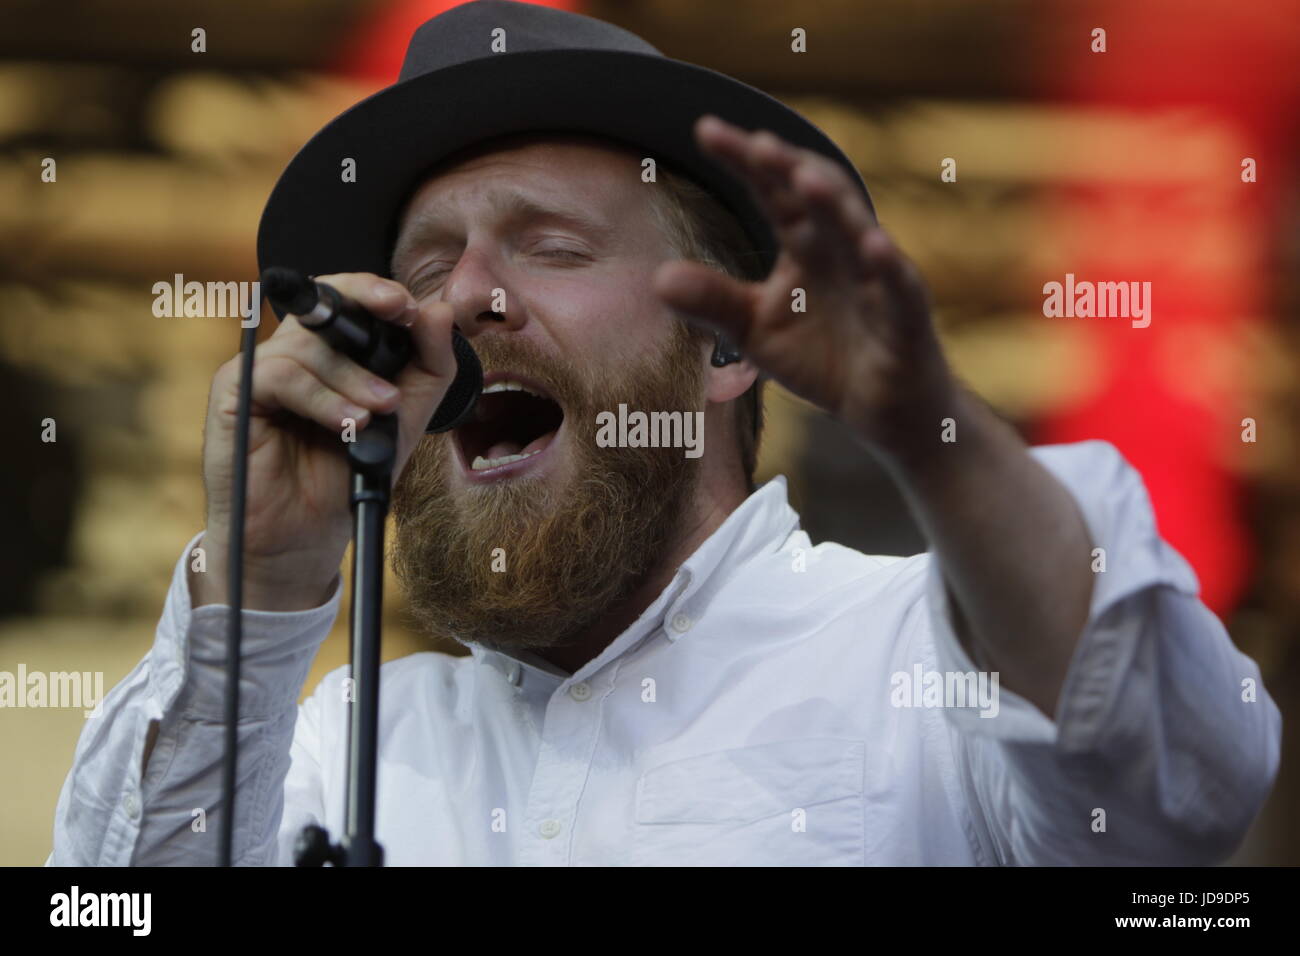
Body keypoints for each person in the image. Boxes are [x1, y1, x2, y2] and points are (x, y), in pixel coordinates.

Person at [50, 1, 1279, 866]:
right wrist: (256, 582)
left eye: (551, 246)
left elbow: (1182, 782)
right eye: (426, 266)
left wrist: (933, 429)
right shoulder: (345, 744)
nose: (463, 299)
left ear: (727, 347)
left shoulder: (916, 662)